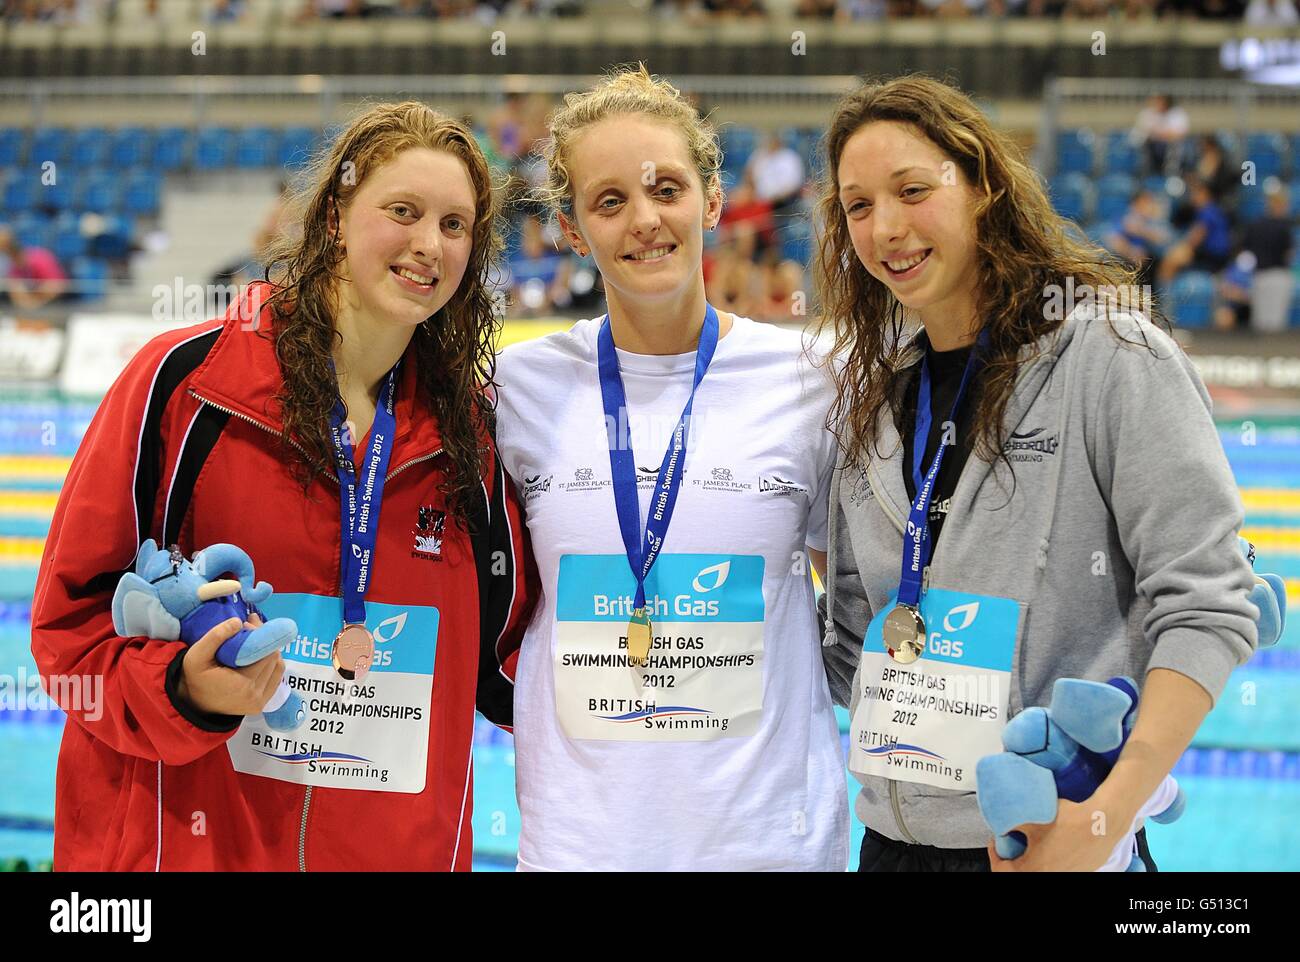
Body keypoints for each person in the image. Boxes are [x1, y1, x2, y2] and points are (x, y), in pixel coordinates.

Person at [30, 102, 534, 871]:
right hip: (189, 849)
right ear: (335, 216)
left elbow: (512, 670)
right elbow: (72, 632)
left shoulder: (471, 434)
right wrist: (181, 691)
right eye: (403, 211)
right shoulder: (185, 386)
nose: (429, 244)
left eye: (455, 225)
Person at [815, 75, 1260, 872]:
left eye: (912, 190)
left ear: (983, 185)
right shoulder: (872, 403)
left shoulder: (1111, 358)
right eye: (857, 206)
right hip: (893, 846)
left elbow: (1207, 602)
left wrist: (1104, 819)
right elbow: (853, 641)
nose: (886, 227)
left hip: (1051, 845)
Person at [493, 65, 848, 871]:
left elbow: (861, 602)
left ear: (713, 201)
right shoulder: (520, 389)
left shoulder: (810, 380)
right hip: (581, 849)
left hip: (771, 847)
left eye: (666, 189)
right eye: (609, 201)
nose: (644, 220)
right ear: (573, 230)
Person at [1240, 188, 1295, 333]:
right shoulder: (1285, 225)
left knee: (1260, 322)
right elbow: (1288, 253)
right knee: (1276, 324)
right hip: (1279, 276)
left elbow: (1245, 252)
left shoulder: (1256, 224)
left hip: (1260, 276)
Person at [0, 225, 69, 309]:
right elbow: (15, 287)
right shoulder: (12, 264)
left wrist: (35, 303)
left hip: (54, 304)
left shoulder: (39, 257)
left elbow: (57, 285)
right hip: (28, 306)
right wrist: (27, 303)